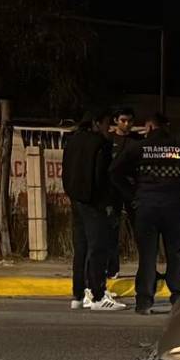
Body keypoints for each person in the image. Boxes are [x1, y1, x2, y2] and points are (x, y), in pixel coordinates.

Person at [110, 112, 180, 314]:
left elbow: (115, 171)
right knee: (175, 254)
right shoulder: (178, 149)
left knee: (147, 256)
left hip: (146, 207)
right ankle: (178, 296)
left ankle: (144, 301)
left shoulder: (138, 148)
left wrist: (132, 195)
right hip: (173, 208)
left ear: (150, 127)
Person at [62, 108, 127, 311]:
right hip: (95, 202)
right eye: (107, 123)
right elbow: (103, 175)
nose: (109, 127)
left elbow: (66, 172)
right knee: (98, 247)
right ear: (96, 123)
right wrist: (106, 202)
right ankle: (98, 295)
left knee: (81, 248)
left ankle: (78, 294)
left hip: (77, 201)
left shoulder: (72, 141)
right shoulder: (100, 143)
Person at [105, 107, 143, 279]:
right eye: (123, 120)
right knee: (112, 229)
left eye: (130, 121)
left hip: (132, 190)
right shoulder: (109, 140)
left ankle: (146, 267)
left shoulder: (137, 140)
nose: (126, 124)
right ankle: (112, 268)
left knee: (140, 229)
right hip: (113, 190)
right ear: (116, 121)